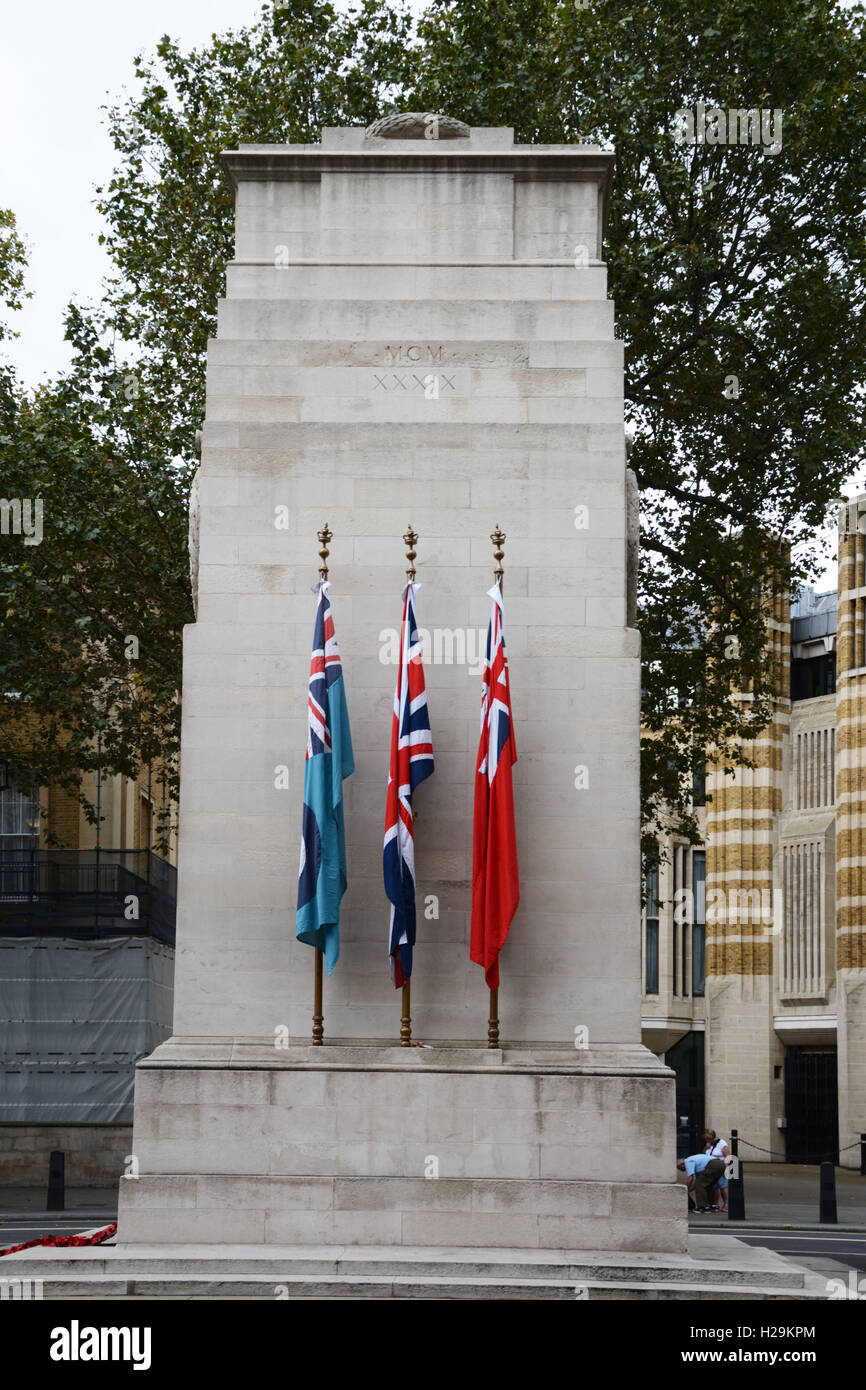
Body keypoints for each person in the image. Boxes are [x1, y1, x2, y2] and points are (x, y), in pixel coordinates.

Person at [704, 1129, 730, 1213]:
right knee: (715, 1187)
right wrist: (706, 1147)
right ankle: (716, 1204)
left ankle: (726, 1204)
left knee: (722, 1186)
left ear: (712, 1137)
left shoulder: (722, 1143)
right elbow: (704, 1154)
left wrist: (725, 1169)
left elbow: (728, 1156)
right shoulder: (709, 1144)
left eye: (707, 1139)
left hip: (721, 1167)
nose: (706, 1140)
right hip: (711, 1168)